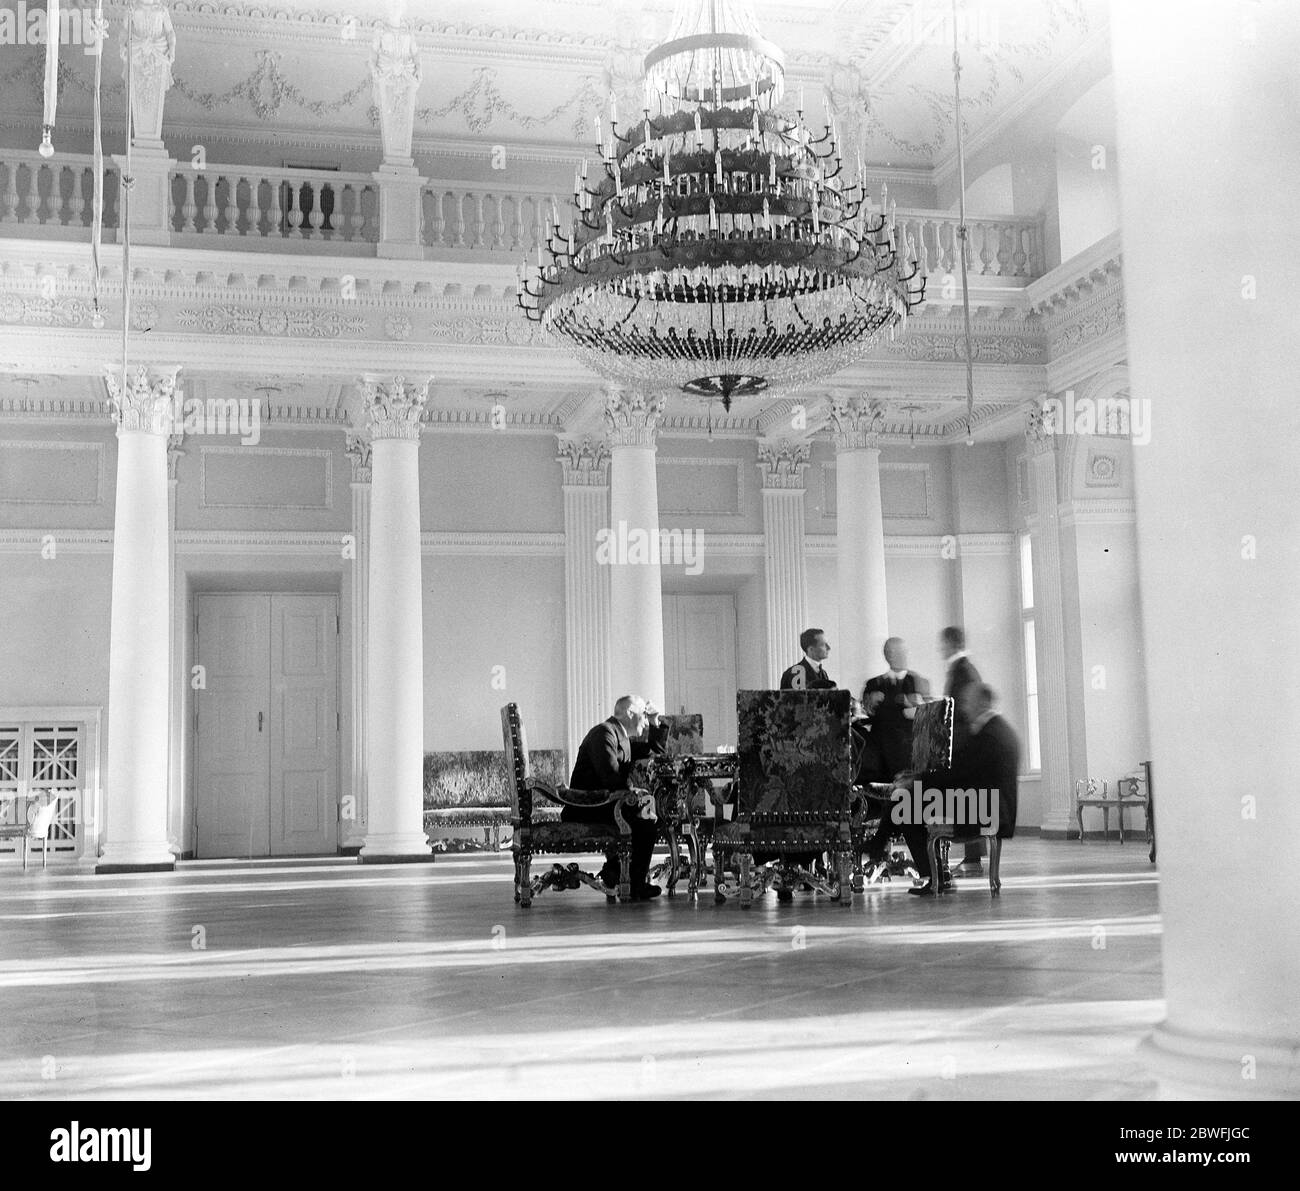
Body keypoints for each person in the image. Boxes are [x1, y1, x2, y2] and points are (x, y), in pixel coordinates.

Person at [902, 683, 1019, 895]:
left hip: (983, 810)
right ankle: (936, 874)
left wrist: (920, 780)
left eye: (968, 702)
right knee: (911, 800)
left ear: (981, 703)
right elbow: (966, 773)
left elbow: (960, 774)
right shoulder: (999, 729)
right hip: (991, 806)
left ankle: (935, 877)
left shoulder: (989, 735)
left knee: (907, 807)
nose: (965, 708)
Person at [562, 695, 667, 900]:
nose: (646, 721)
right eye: (644, 715)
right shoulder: (603, 733)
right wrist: (634, 792)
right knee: (646, 821)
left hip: (605, 805)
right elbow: (610, 777)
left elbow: (656, 753)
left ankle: (615, 874)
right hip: (586, 807)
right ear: (630, 713)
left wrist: (656, 723)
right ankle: (633, 884)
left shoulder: (621, 737)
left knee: (646, 816)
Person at [858, 638, 930, 864]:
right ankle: (878, 844)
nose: (899, 656)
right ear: (887, 655)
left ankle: (878, 843)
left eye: (902, 652)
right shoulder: (873, 684)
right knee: (900, 796)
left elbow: (923, 714)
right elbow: (867, 711)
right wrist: (874, 702)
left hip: (908, 759)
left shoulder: (917, 682)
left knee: (902, 795)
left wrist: (895, 702)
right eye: (894, 653)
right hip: (880, 761)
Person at [940, 625, 985, 873]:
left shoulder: (963, 670)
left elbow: (962, 709)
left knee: (968, 798)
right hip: (964, 741)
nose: (941, 648)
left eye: (943, 643)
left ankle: (973, 857)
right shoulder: (964, 669)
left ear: (952, 643)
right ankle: (972, 856)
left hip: (963, 742)